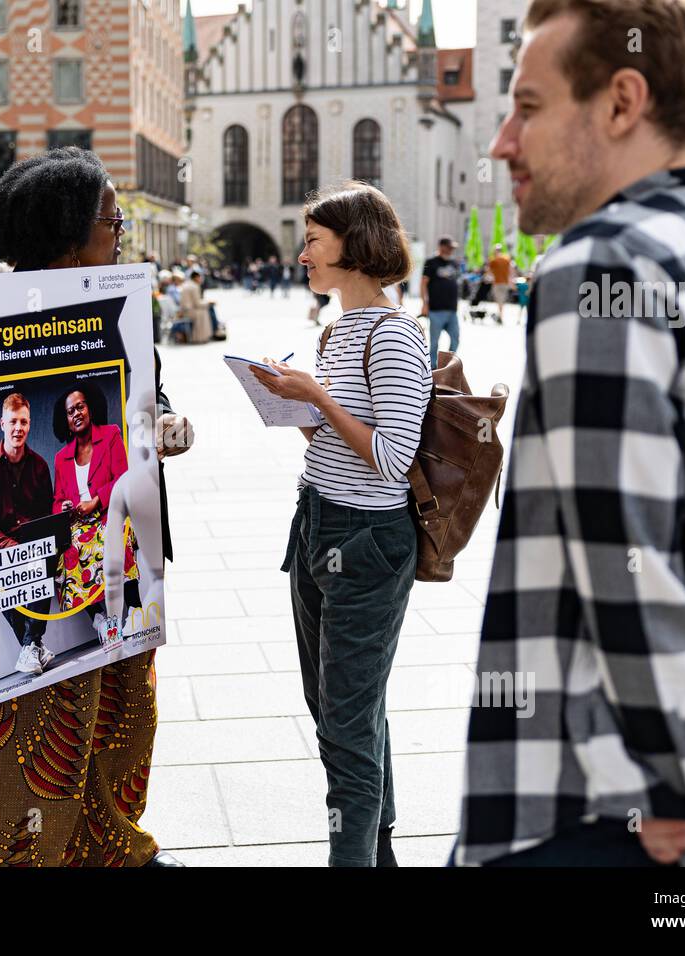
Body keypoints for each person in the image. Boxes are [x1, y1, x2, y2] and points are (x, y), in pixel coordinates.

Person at [454, 0, 685, 868]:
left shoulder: (599, 268)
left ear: (623, 102)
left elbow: (625, 566)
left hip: (600, 811)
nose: (502, 141)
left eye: (530, 107)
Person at [0, 147, 185, 867]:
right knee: (41, 734)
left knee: (127, 720)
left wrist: (167, 424)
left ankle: (119, 852)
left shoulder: (123, 304)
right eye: (110, 219)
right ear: (69, 238)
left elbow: (148, 399)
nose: (121, 227)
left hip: (122, 561)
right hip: (39, 574)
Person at [251, 182, 431, 866]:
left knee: (346, 724)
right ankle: (378, 849)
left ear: (354, 247)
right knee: (338, 707)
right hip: (316, 525)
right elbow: (338, 443)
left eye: (314, 243)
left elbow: (391, 459)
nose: (302, 255)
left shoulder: (395, 335)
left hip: (368, 541)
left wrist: (316, 395)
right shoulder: (336, 332)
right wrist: (295, 408)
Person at [0, 392, 56, 676]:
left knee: (44, 560)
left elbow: (47, 518)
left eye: (24, 422)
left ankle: (30, 646)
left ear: (30, 425)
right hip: (3, 549)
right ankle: (34, 645)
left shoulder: (40, 467)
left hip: (35, 548)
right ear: (2, 423)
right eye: (13, 421)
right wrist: (13, 549)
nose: (18, 428)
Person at [50, 385, 139, 645]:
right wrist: (65, 507)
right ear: (65, 420)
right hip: (78, 524)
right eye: (70, 411)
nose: (76, 413)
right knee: (67, 552)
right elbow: (57, 501)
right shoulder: (61, 458)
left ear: (90, 409)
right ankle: (99, 621)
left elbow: (124, 478)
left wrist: (97, 500)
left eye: (80, 407)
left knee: (112, 533)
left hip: (109, 512)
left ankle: (134, 609)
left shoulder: (111, 435)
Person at [419, 237, 461, 368]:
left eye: (452, 248)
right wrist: (425, 304)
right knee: (434, 342)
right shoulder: (431, 262)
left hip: (452, 310)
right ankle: (432, 368)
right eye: (449, 247)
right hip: (436, 310)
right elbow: (423, 283)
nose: (451, 250)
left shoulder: (454, 263)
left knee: (455, 338)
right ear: (441, 246)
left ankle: (448, 366)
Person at [179, 268, 211, 343]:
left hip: (185, 310)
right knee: (204, 312)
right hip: (190, 311)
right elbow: (197, 303)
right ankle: (200, 338)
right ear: (196, 277)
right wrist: (208, 303)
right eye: (200, 277)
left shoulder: (187, 284)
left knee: (204, 310)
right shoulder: (194, 286)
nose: (201, 279)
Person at [486, 243, 514, 323]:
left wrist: (488, 278)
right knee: (502, 299)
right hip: (505, 282)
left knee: (499, 300)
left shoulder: (493, 260)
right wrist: (511, 280)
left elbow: (488, 271)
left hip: (497, 282)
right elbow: (511, 270)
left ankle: (500, 316)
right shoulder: (506, 258)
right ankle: (501, 315)